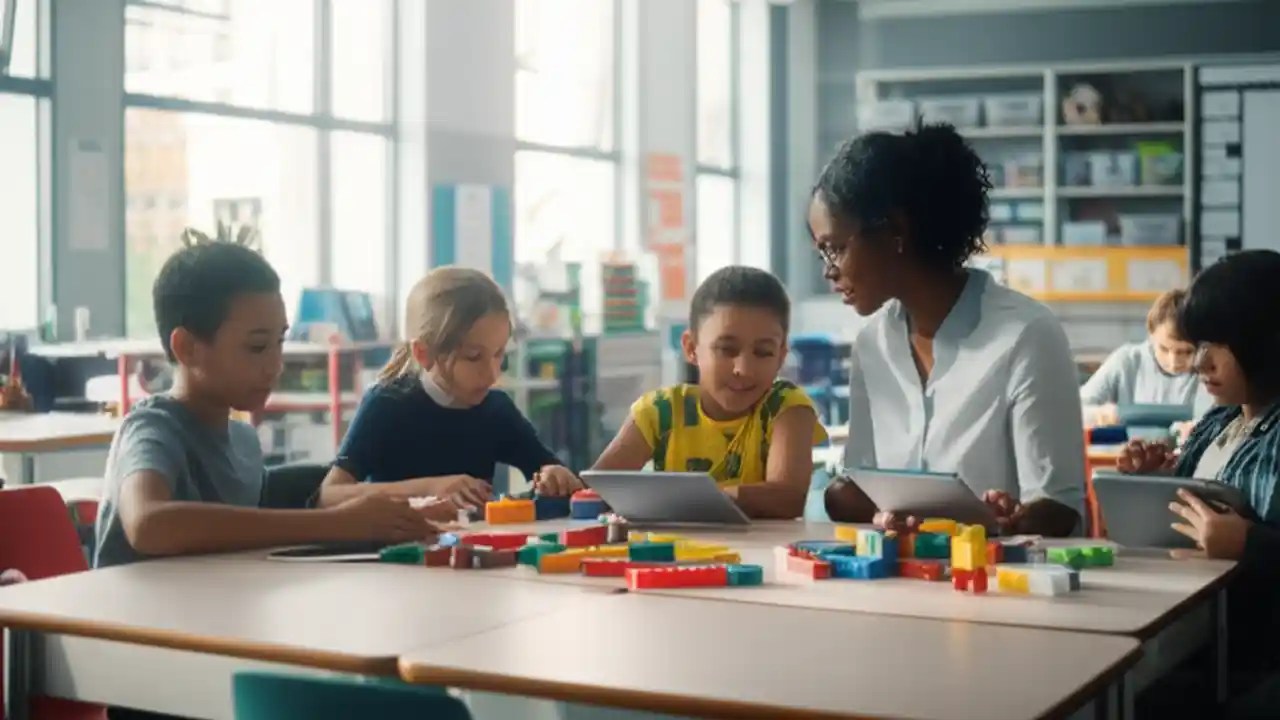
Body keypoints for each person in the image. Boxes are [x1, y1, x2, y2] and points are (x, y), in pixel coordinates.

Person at [94, 235, 438, 570]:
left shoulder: (243, 440)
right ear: (187, 348)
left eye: (279, 342)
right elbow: (148, 525)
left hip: (207, 614)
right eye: (257, 347)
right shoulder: (153, 428)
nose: (276, 364)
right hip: (133, 624)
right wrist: (335, 523)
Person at [813, 122, 1084, 536]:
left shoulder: (1026, 334)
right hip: (899, 579)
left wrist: (1007, 519)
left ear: (894, 231)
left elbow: (1062, 512)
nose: (829, 272)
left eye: (836, 248)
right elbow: (863, 486)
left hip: (997, 584)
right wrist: (840, 496)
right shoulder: (873, 344)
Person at [1117, 250, 1280, 719]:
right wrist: (1157, 487)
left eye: (1219, 343)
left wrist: (1251, 545)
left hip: (1253, 660)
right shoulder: (1219, 419)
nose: (1199, 362)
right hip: (1192, 631)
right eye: (1199, 342)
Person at [317, 268, 581, 510]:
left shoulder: (495, 410)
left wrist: (554, 476)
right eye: (473, 356)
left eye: (500, 354)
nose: (492, 374)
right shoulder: (386, 404)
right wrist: (429, 488)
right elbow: (329, 495)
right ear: (423, 353)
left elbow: (549, 468)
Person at [591, 266, 825, 519]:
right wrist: (560, 483)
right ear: (692, 348)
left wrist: (692, 500)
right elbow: (598, 491)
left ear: (781, 356)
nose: (743, 369)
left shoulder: (787, 408)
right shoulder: (660, 412)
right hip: (674, 555)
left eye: (763, 353)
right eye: (726, 350)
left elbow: (787, 498)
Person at [1079, 288, 1210, 427]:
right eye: (1164, 349)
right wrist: (1102, 414)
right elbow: (1075, 409)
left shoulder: (1208, 371)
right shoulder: (1125, 360)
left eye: (1186, 352)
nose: (1173, 362)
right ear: (1151, 335)